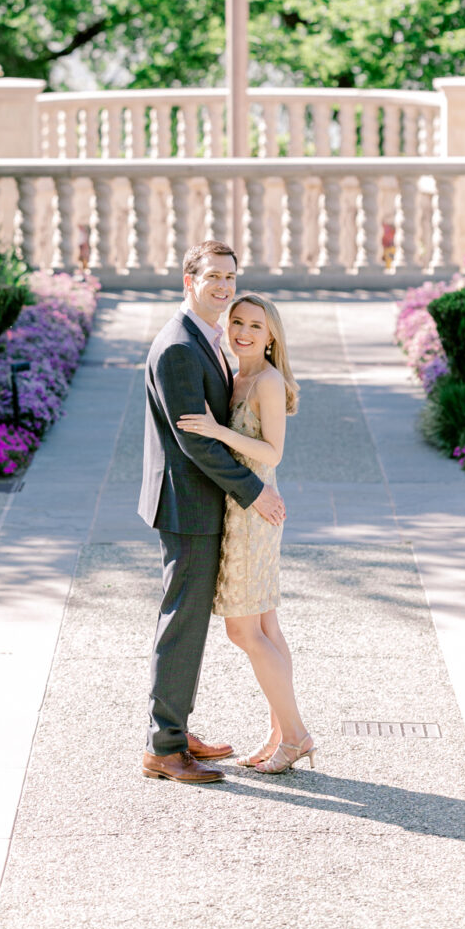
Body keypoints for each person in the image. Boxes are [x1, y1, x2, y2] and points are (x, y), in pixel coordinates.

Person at [139, 240, 287, 784]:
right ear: (189, 280)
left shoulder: (205, 336)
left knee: (191, 622)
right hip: (188, 506)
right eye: (213, 277)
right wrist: (254, 492)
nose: (223, 287)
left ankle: (176, 731)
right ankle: (164, 747)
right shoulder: (179, 347)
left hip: (201, 502)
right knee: (182, 623)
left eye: (230, 277)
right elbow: (194, 441)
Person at [177, 292, 315, 774]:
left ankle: (296, 735)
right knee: (266, 628)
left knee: (243, 629)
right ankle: (280, 735)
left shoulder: (268, 381)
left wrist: (217, 431)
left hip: (254, 514)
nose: (244, 332)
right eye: (237, 322)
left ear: (271, 335)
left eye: (256, 325)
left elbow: (273, 453)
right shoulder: (237, 377)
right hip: (240, 511)